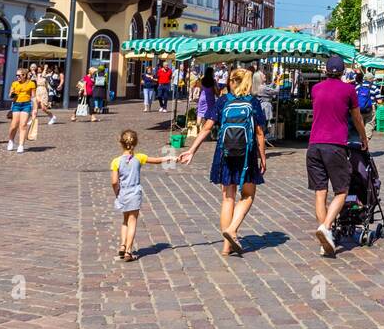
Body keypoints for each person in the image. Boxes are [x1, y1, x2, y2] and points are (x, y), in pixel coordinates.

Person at [180, 67, 268, 256]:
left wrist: (191, 150)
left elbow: (206, 128)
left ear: (231, 81)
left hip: (224, 153)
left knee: (228, 198)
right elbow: (260, 133)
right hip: (247, 154)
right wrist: (263, 157)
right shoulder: (252, 102)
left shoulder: (222, 101)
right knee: (248, 195)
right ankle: (233, 229)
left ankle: (226, 247)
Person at [302, 56, 365, 257]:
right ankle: (326, 227)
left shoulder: (316, 89)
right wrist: (363, 137)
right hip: (335, 145)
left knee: (320, 193)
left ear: (326, 70)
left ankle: (325, 240)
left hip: (314, 145)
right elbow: (356, 117)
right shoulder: (348, 90)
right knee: (342, 191)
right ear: (343, 71)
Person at [111, 129, 170, 261]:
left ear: (120, 143)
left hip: (123, 193)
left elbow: (114, 181)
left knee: (125, 221)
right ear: (136, 143)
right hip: (135, 193)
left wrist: (117, 193)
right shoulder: (139, 157)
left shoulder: (116, 161)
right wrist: (171, 158)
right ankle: (128, 251)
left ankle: (122, 245)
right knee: (133, 221)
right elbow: (157, 160)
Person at [6, 67, 37, 153]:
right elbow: (9, 95)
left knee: (23, 125)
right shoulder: (14, 83)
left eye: (19, 75)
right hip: (16, 105)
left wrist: (35, 109)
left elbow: (33, 97)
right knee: (13, 125)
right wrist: (12, 94)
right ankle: (11, 141)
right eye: (17, 75)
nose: (17, 77)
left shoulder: (31, 84)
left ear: (25, 75)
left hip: (26, 105)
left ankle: (21, 145)